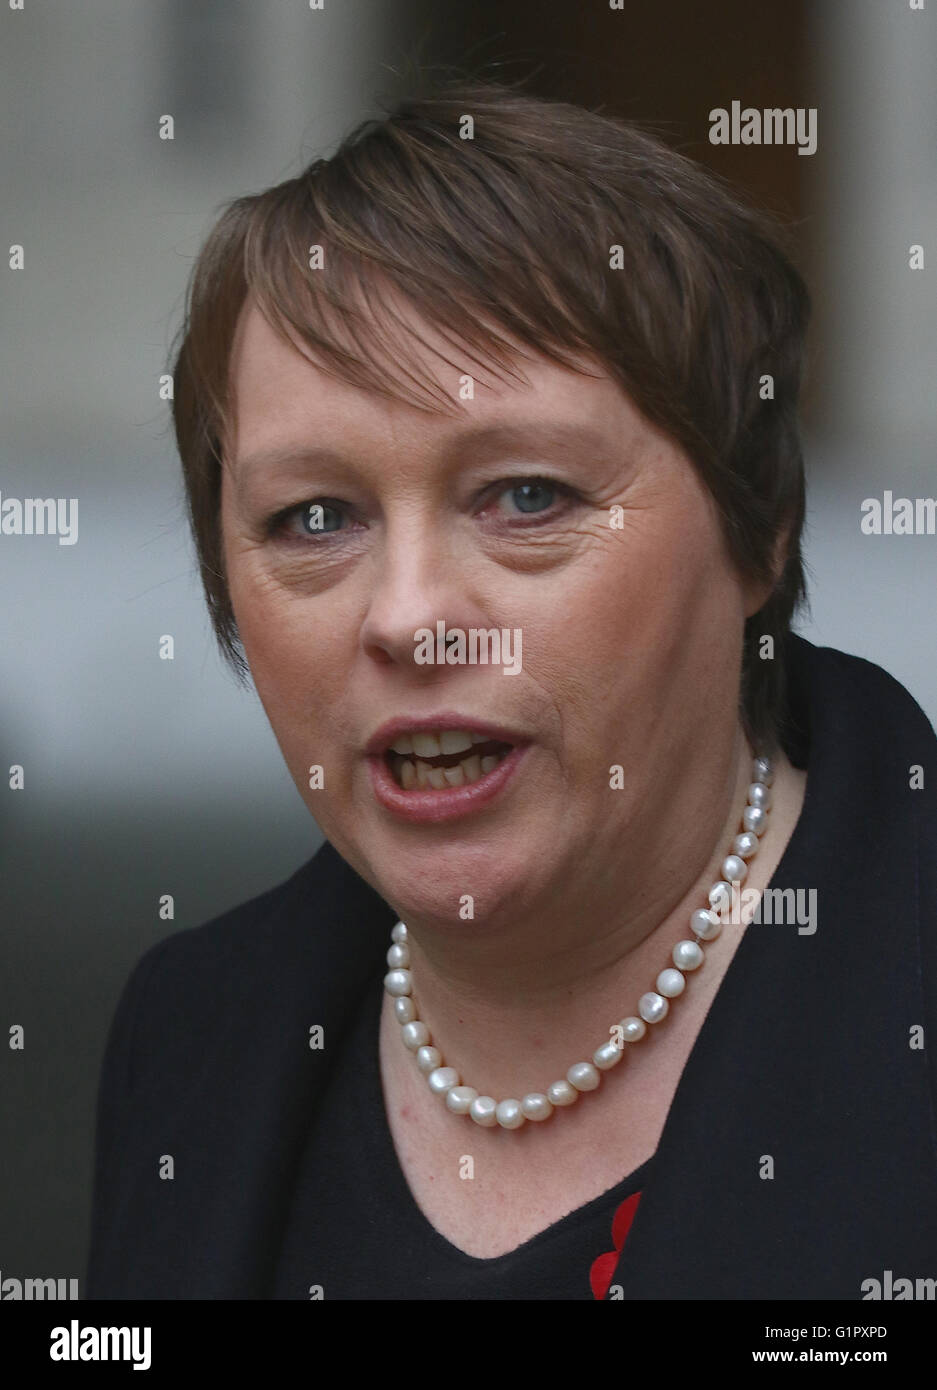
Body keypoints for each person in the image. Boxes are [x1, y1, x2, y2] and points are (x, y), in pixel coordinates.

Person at [84, 78, 937, 1300]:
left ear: (763, 530)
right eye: (313, 516)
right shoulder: (189, 1037)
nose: (410, 617)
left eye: (527, 497)